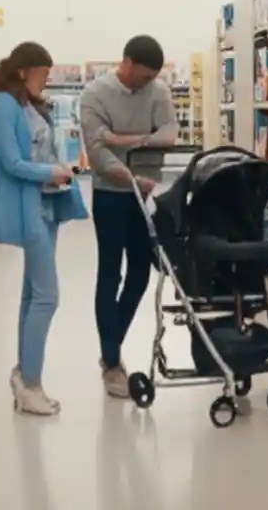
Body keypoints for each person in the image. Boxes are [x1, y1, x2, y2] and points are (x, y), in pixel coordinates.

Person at [0, 42, 88, 416]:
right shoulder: (2, 107)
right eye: (43, 73)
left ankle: (25, 377)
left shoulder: (28, 106)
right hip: (27, 208)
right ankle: (31, 383)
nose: (47, 80)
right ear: (24, 71)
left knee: (33, 294)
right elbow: (11, 162)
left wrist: (56, 173)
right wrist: (51, 172)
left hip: (45, 205)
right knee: (47, 297)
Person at [79, 35, 179, 398]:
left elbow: (168, 134)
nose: (148, 83)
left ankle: (110, 347)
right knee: (110, 271)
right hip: (111, 195)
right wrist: (132, 164)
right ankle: (111, 361)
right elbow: (98, 151)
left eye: (154, 77)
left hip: (145, 193)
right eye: (144, 76)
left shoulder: (159, 91)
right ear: (128, 63)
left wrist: (127, 142)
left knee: (140, 272)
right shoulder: (94, 95)